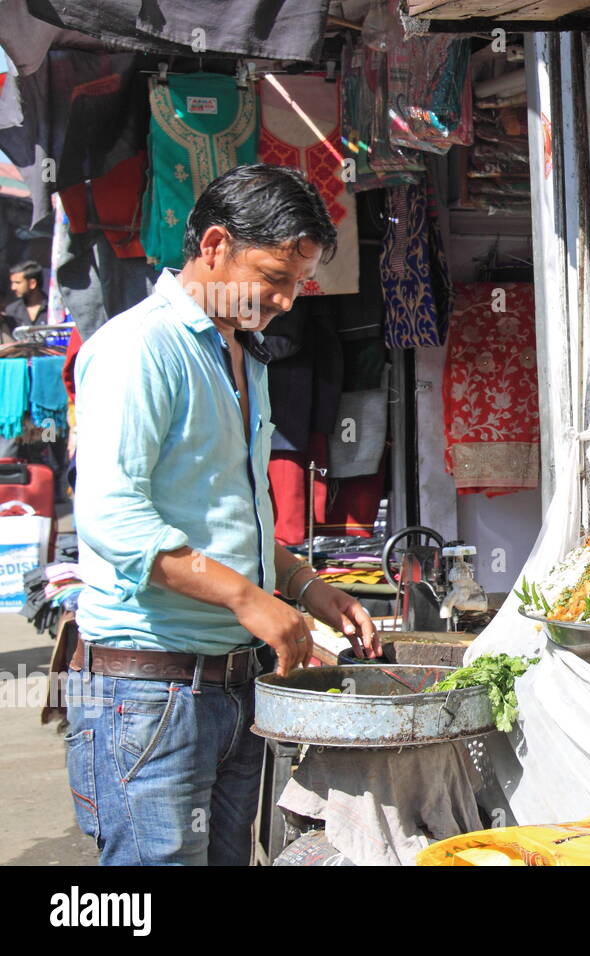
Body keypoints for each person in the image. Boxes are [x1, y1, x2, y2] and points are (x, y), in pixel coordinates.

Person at [66, 164, 382, 866]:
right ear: (213, 245)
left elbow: (232, 520)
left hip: (231, 689)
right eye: (274, 277)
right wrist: (248, 600)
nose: (286, 300)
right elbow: (114, 519)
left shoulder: (240, 356)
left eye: (297, 284)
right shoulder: (138, 347)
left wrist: (304, 588)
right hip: (148, 694)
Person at [3, 259, 48, 342]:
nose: (13, 287)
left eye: (17, 283)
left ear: (32, 283)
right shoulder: (11, 310)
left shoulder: (54, 311)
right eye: (12, 283)